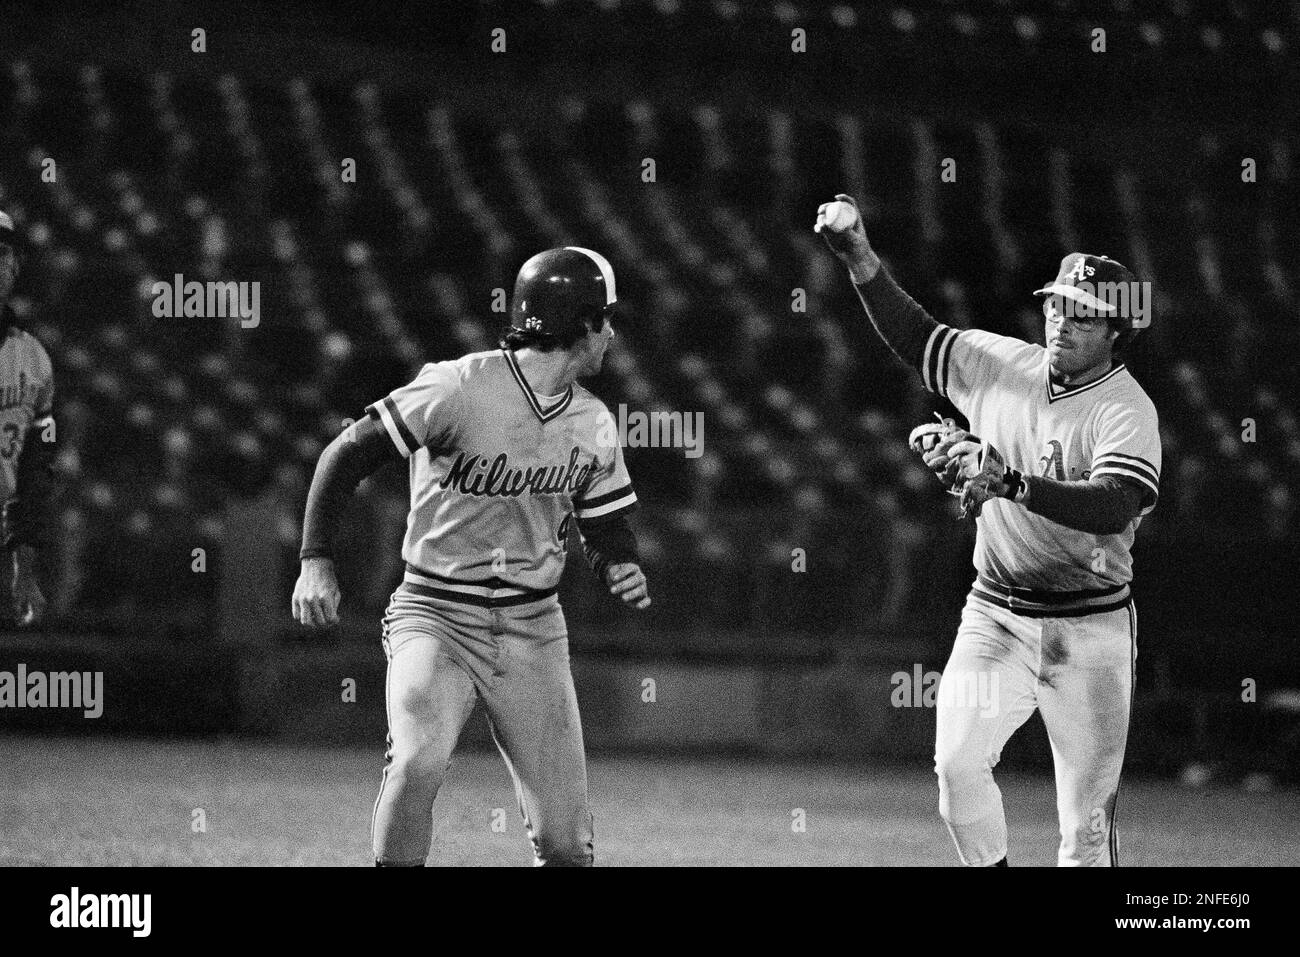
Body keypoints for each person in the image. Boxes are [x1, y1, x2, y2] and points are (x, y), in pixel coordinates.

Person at [817, 194, 1160, 866]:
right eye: (1058, 304)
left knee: (1086, 830)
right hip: (997, 614)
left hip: (1092, 629)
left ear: (1118, 331)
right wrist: (858, 255)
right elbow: (915, 335)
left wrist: (1007, 480)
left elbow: (1113, 505)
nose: (1063, 320)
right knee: (955, 766)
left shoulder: (1126, 410)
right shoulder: (1001, 365)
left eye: (1085, 314)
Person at [292, 246, 650, 866]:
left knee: (565, 843)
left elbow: (606, 519)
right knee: (417, 757)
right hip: (435, 613)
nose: (611, 334)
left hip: (533, 628)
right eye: (605, 319)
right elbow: (346, 453)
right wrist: (316, 558)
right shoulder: (459, 386)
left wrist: (618, 559)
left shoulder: (592, 421)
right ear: (580, 322)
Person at [0, 210, 56, 627]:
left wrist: (24, 567)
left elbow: (33, 472)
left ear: (14, 266)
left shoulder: (33, 358)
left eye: (1, 254)